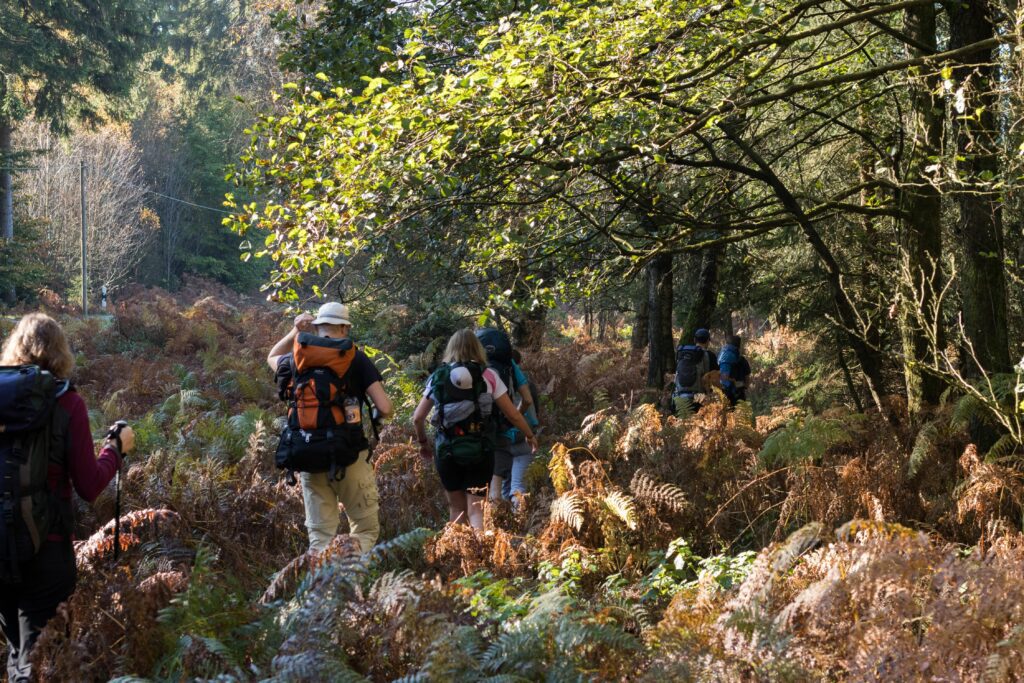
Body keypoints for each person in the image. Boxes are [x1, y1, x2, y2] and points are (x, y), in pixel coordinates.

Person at [0, 313, 132, 683]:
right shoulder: (66, 402)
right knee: (44, 661)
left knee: (18, 651)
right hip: (48, 549)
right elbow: (89, 486)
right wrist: (115, 450)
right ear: (59, 351)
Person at [267, 302, 393, 554]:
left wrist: (295, 332)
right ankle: (351, 580)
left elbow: (270, 357)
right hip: (349, 455)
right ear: (345, 328)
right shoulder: (354, 356)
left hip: (308, 456)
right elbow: (385, 407)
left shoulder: (297, 358)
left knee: (320, 539)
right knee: (365, 530)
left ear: (316, 326)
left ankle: (324, 591)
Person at [411, 329, 537, 529]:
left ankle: (459, 555)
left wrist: (424, 443)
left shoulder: (438, 376)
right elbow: (513, 413)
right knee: (476, 509)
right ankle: (479, 556)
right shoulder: (489, 375)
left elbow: (418, 418)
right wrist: (529, 435)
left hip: (447, 450)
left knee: (456, 509)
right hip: (481, 450)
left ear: (451, 348)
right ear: (478, 348)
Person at [496, 349, 540, 502]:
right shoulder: (527, 384)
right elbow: (534, 409)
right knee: (518, 485)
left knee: (504, 486)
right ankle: (519, 522)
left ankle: (502, 523)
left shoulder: (492, 380)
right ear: (518, 364)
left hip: (502, 439)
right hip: (524, 439)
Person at [672, 328, 719, 414]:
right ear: (708, 341)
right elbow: (714, 378)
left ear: (694, 339)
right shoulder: (710, 355)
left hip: (679, 397)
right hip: (700, 398)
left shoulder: (682, 353)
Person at [718, 334, 750, 406]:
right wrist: (741, 385)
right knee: (740, 415)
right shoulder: (742, 360)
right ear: (739, 346)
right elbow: (747, 381)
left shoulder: (721, 357)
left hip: (723, 393)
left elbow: (720, 376)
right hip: (739, 393)